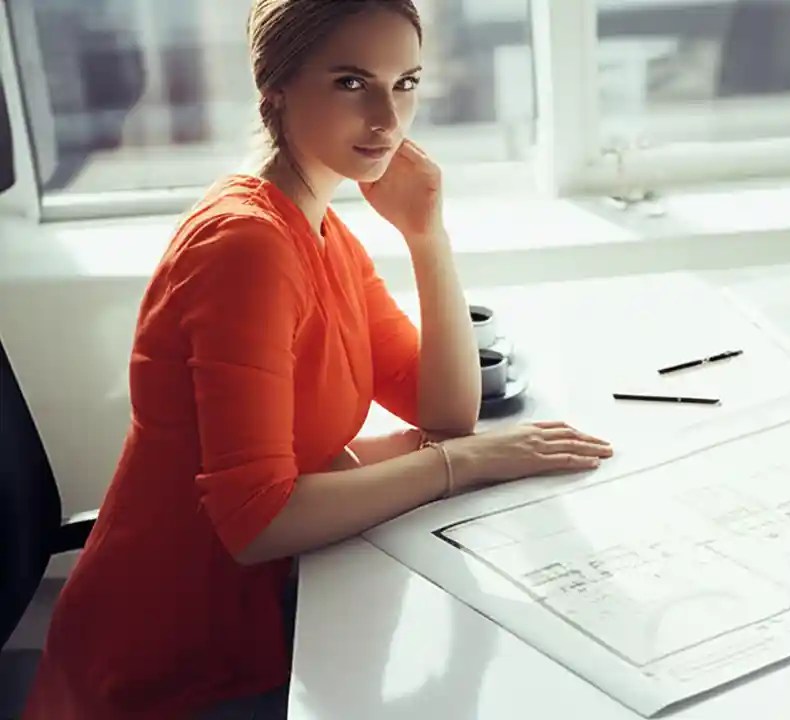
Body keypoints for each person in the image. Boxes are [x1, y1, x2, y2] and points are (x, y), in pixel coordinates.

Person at [22, 1, 613, 717]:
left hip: (265, 613)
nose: (389, 122)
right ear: (276, 86)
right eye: (351, 83)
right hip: (167, 663)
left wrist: (428, 235)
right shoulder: (248, 247)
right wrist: (459, 466)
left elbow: (446, 410)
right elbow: (257, 522)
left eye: (406, 83)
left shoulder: (321, 228)